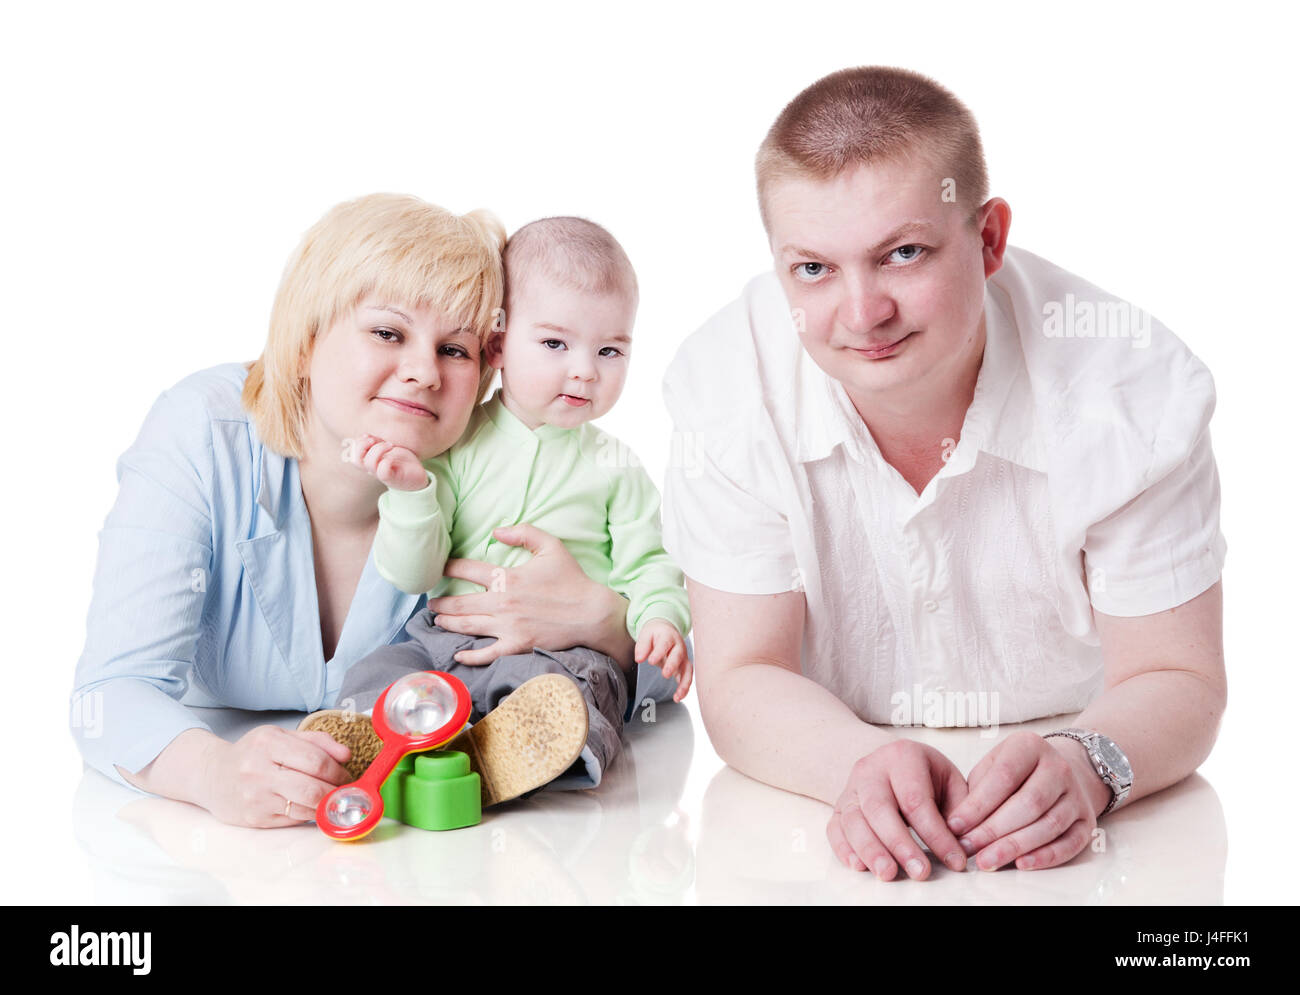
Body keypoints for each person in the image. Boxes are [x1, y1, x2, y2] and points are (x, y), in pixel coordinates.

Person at [660, 66, 1227, 880]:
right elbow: (743, 672)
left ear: (989, 238)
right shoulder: (726, 387)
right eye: (813, 268)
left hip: (1085, 847)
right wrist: (855, 763)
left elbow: (1178, 674)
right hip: (813, 826)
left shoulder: (1131, 393)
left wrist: (1092, 763)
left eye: (902, 254)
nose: (863, 314)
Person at [70, 193, 647, 828]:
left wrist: (604, 620)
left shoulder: (500, 470)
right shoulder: (201, 430)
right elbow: (109, 692)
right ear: (306, 337)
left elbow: (666, 654)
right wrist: (214, 772)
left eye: (455, 349)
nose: (425, 371)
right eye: (387, 332)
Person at [306, 216, 691, 794]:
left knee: (561, 691)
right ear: (497, 345)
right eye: (556, 343)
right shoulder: (455, 445)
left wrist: (660, 618)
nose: (585, 370)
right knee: (383, 669)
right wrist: (411, 494)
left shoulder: (617, 467)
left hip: (560, 650)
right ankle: (371, 739)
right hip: (442, 641)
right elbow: (414, 572)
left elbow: (650, 565)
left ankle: (520, 750)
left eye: (610, 350)